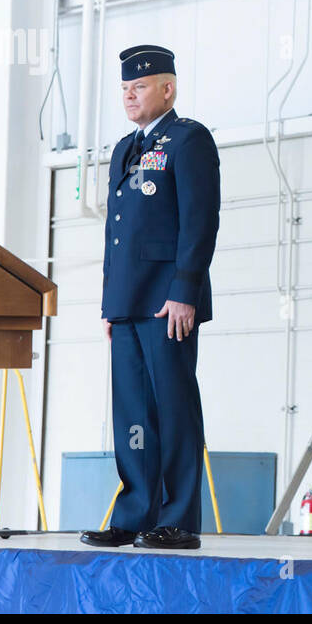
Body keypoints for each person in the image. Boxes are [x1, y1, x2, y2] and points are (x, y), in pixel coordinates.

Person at [81, 44, 221, 551]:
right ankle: (137, 513)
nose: (129, 96)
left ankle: (178, 519)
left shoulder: (189, 140)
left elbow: (200, 221)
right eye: (123, 89)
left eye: (139, 87)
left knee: (174, 408)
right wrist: (109, 302)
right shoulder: (124, 148)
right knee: (133, 414)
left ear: (169, 88)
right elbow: (115, 232)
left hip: (167, 302)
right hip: (128, 302)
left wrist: (185, 290)